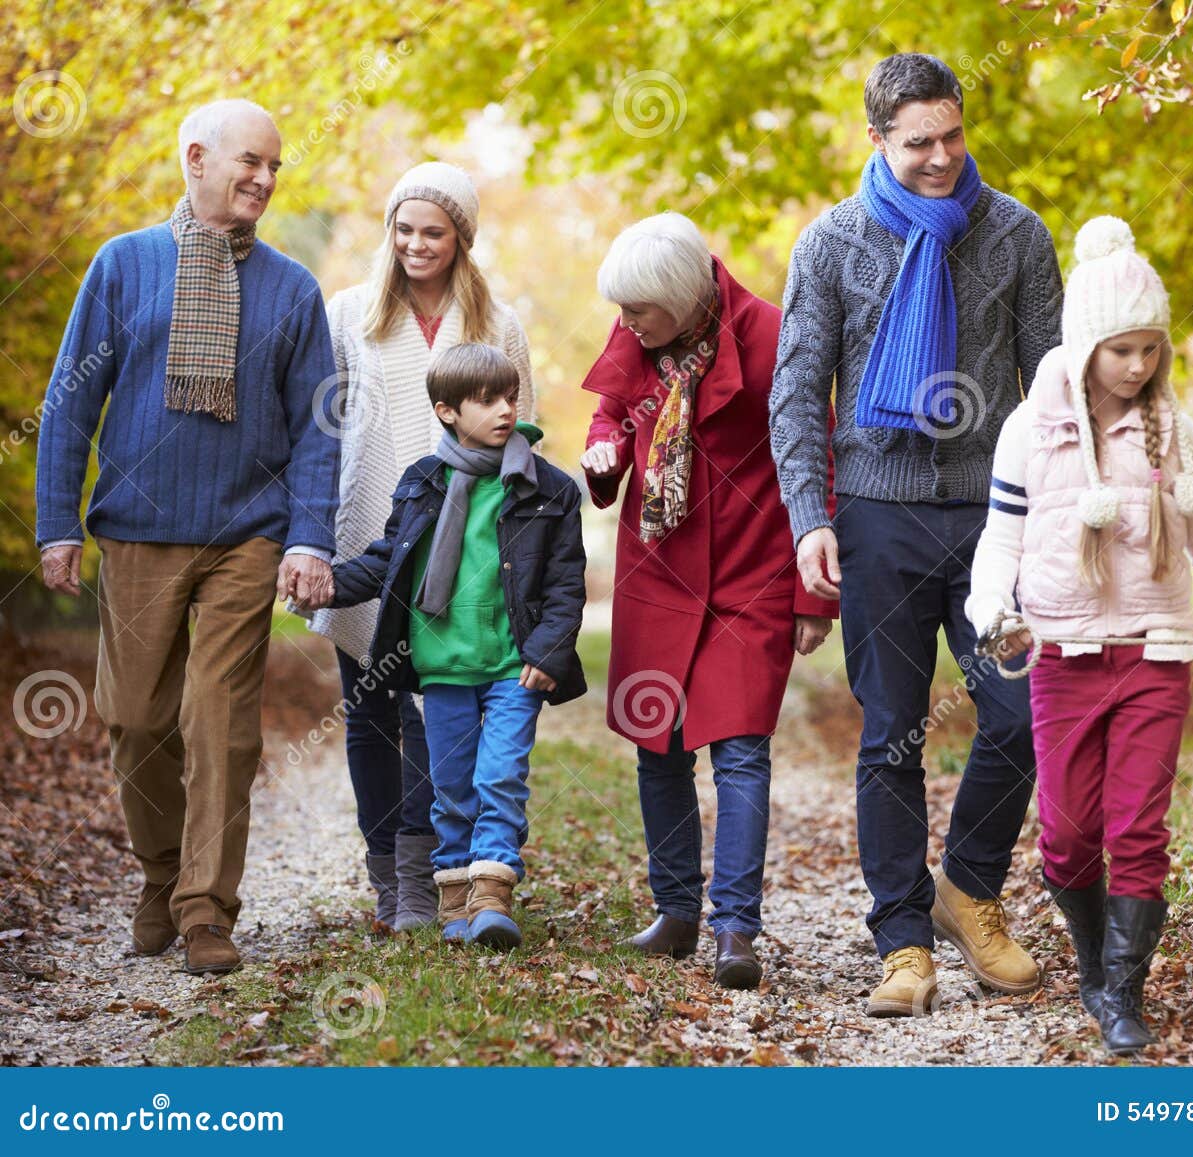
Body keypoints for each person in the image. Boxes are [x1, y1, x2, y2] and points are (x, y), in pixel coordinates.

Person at [769, 53, 1063, 1015]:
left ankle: (969, 891)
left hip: (995, 521)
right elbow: (796, 395)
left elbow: (1054, 395)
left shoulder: (1017, 234)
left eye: (952, 136)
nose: (941, 158)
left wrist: (1054, 519)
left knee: (1021, 717)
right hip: (878, 517)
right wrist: (811, 518)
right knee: (891, 734)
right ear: (877, 140)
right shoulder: (831, 244)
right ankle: (902, 940)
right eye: (917, 143)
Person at [34, 98, 340, 975]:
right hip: (137, 530)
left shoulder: (292, 288)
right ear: (197, 158)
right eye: (252, 161)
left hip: (247, 533)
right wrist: (57, 520)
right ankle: (162, 871)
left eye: (276, 166)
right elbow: (69, 403)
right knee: (134, 719)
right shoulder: (123, 267)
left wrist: (308, 538)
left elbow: (321, 427)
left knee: (221, 723)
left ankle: (208, 909)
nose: (267, 179)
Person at [966, 216, 1193, 1055]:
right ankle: (1096, 957)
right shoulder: (1030, 429)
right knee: (1067, 837)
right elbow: (1000, 538)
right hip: (1061, 660)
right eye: (1121, 350)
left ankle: (1121, 993)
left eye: (1150, 349)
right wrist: (989, 606)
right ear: (1086, 341)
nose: (1138, 367)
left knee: (1137, 826)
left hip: (1156, 655)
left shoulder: (1176, 432)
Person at [580, 213, 835, 989]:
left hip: (751, 575)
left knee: (741, 750)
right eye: (621, 312)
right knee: (658, 745)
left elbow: (812, 456)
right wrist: (605, 452)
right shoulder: (641, 329)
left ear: (688, 300)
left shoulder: (768, 336)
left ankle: (735, 928)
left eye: (639, 314)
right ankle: (676, 911)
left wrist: (808, 593)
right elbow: (611, 411)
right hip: (660, 569)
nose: (626, 325)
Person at [311, 162, 535, 933]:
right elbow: (321, 431)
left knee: (434, 715)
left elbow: (520, 447)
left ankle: (430, 876)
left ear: (460, 239)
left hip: (464, 553)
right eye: (403, 229)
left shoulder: (498, 324)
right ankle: (390, 883)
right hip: (367, 527)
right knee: (369, 711)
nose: (414, 244)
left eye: (432, 232)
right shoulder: (348, 314)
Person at [321, 343, 586, 950]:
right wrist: (331, 585)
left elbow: (565, 583)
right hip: (441, 667)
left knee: (501, 774)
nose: (504, 410)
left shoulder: (549, 490)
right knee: (452, 783)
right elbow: (389, 561)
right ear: (447, 411)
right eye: (486, 401)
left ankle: (493, 893)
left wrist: (546, 653)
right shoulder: (422, 482)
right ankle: (456, 902)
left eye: (510, 397)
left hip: (513, 667)